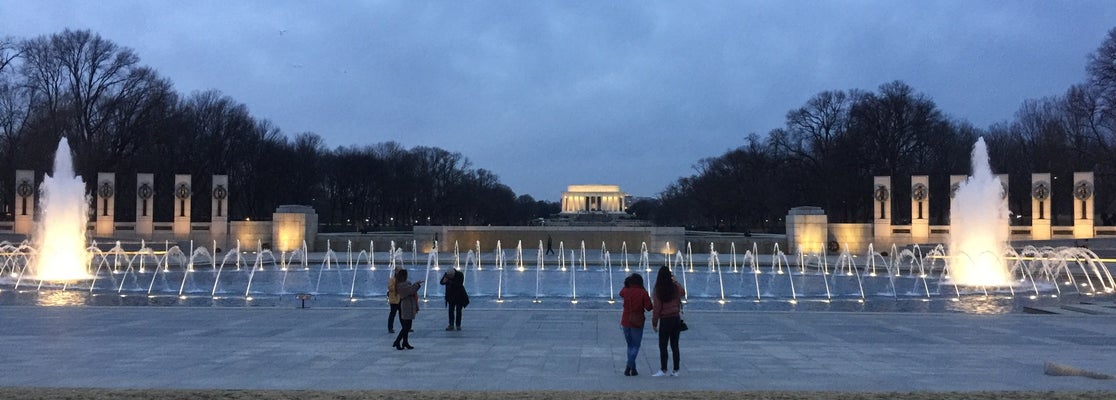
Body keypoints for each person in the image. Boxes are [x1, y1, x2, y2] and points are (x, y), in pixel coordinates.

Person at [651, 266, 685, 377]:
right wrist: (677, 281)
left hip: (665, 320)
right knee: (675, 345)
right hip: (675, 318)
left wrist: (654, 323)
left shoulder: (658, 289)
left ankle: (663, 369)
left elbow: (657, 308)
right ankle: (676, 370)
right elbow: (683, 293)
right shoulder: (675, 287)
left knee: (663, 345)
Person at [619, 273, 652, 376]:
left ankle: (633, 369)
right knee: (636, 345)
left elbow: (621, 293)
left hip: (625, 320)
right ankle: (629, 366)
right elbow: (649, 307)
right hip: (637, 321)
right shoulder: (643, 293)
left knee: (630, 345)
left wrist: (627, 283)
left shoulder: (626, 290)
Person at [392, 269, 423, 350]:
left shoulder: (404, 284)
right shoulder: (401, 285)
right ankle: (397, 341)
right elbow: (410, 291)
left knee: (408, 326)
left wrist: (416, 284)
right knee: (406, 326)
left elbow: (410, 289)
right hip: (406, 306)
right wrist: (417, 285)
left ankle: (405, 342)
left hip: (409, 305)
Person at [387, 266, 402, 333]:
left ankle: (405, 326)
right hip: (394, 300)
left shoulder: (402, 280)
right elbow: (390, 288)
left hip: (401, 299)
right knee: (393, 314)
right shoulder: (392, 279)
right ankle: (390, 328)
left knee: (402, 314)